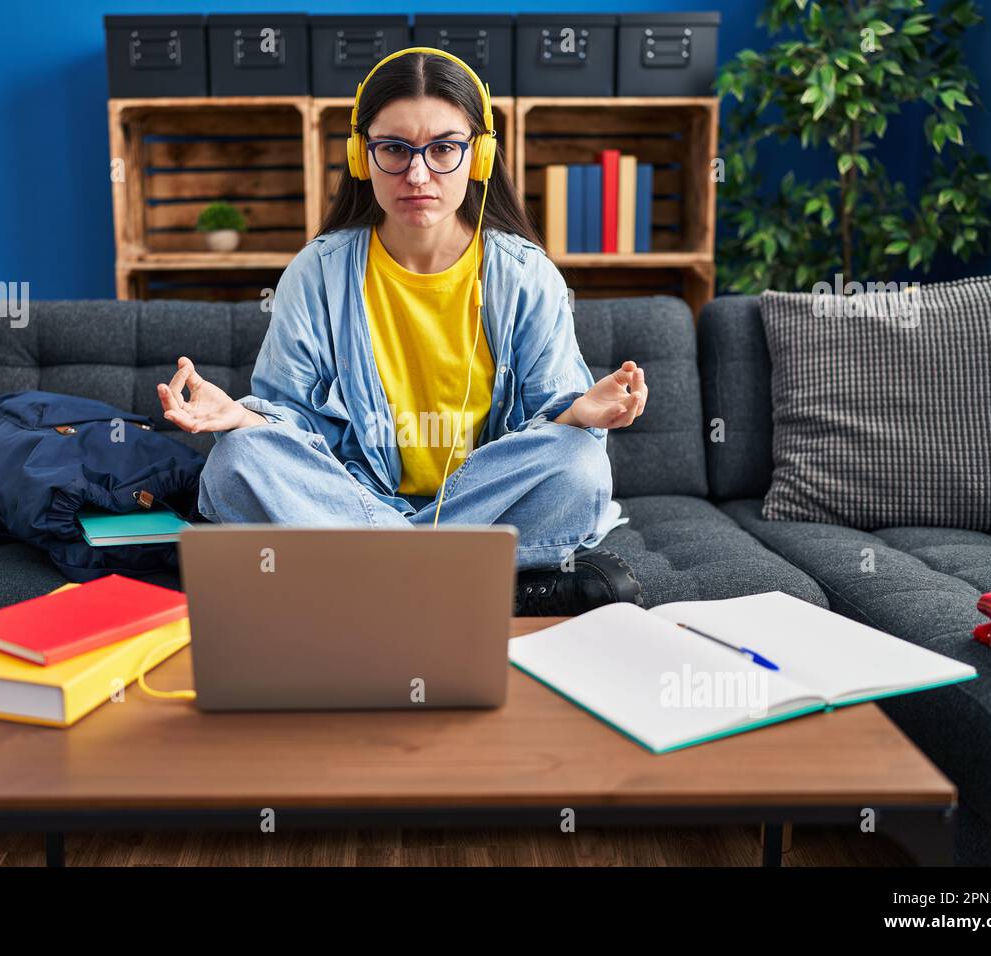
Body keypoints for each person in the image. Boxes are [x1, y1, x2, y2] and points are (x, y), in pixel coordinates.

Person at [156, 49, 647, 612]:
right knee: (236, 460)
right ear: (363, 158)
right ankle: (452, 577)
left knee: (580, 466)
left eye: (443, 149)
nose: (418, 174)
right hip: (348, 498)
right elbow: (287, 424)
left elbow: (551, 423)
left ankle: (369, 573)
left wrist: (578, 412)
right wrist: (241, 415)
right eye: (394, 149)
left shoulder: (525, 274)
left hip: (478, 504)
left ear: (479, 157)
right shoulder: (317, 272)